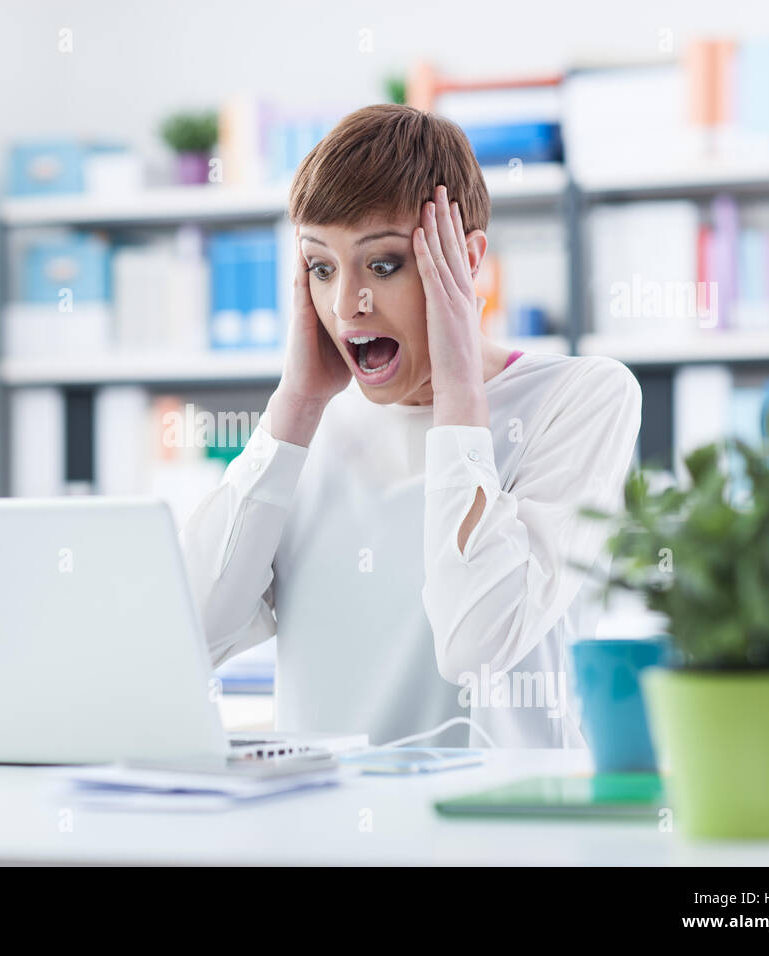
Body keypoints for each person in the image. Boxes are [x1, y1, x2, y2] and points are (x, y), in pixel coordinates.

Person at [179, 104, 642, 748]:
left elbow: (475, 645)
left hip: (495, 838)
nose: (346, 305)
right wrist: (294, 407)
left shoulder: (580, 398)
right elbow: (190, 637)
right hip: (322, 835)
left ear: (467, 258)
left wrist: (458, 394)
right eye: (321, 267)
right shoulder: (310, 427)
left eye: (384, 264)